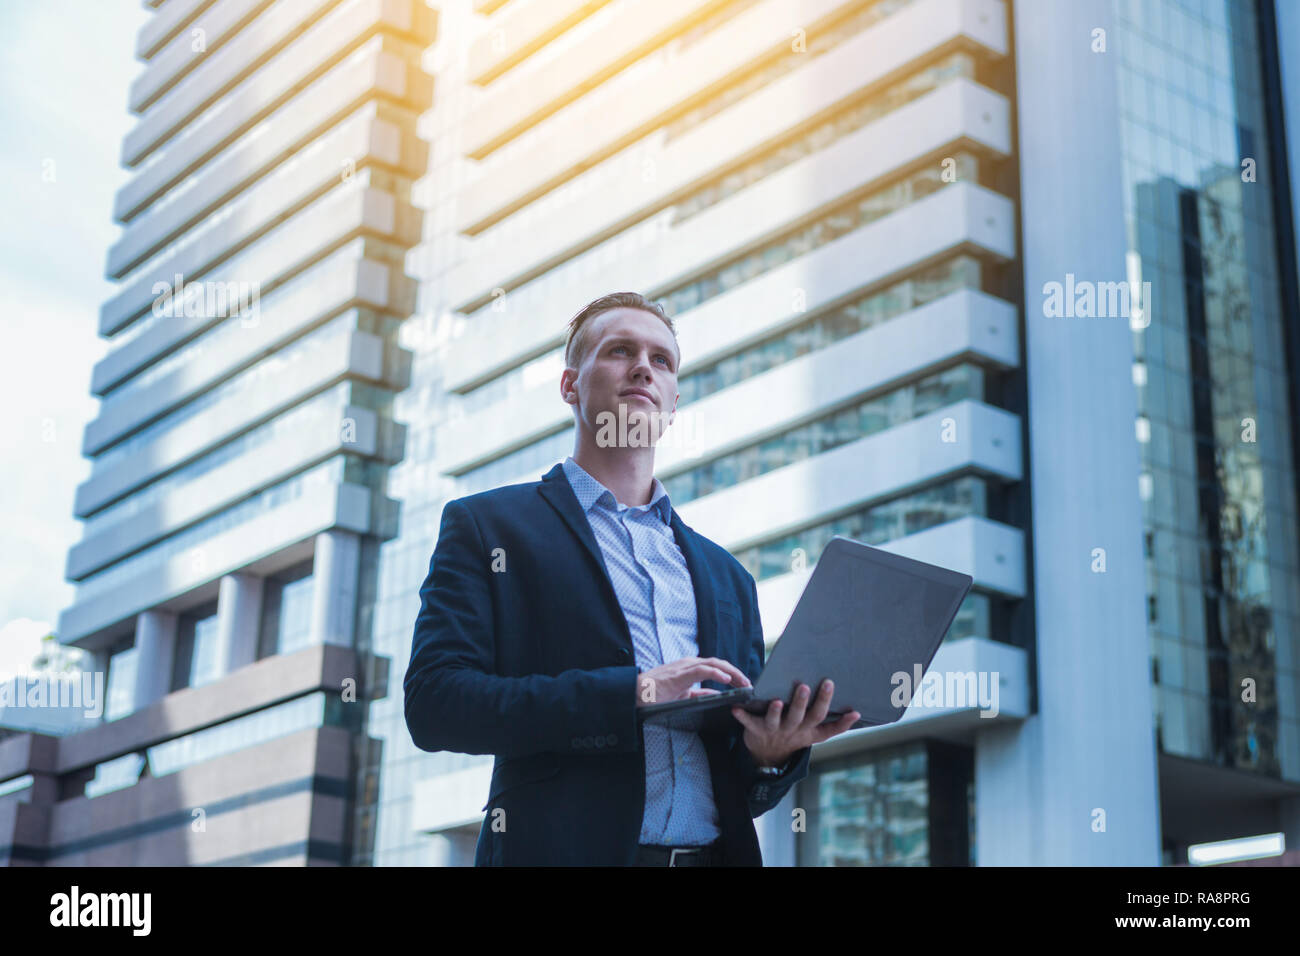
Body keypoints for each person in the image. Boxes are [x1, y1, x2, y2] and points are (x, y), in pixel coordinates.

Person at [404, 291, 860, 866]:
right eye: (620, 350)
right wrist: (636, 692)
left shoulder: (728, 576)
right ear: (571, 386)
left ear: (672, 402)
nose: (644, 366)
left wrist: (769, 751)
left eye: (662, 360)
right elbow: (435, 704)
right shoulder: (487, 527)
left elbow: (737, 782)